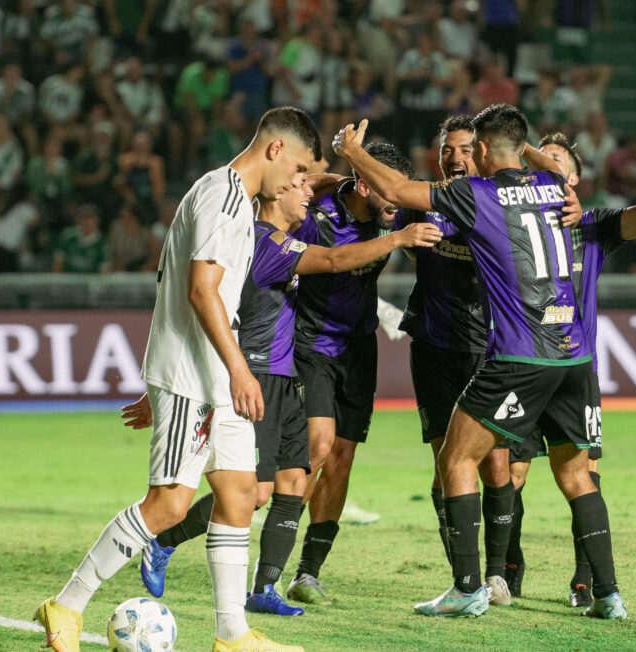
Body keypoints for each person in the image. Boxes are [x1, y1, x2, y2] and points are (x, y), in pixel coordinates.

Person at [333, 104, 636, 619]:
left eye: (470, 147)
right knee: (577, 476)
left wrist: (352, 152)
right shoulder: (555, 191)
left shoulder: (480, 195)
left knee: (455, 458)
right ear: (524, 149)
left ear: (479, 151)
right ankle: (608, 594)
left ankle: (468, 586)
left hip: (521, 353)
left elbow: (400, 192)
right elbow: (574, 178)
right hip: (576, 358)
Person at [34, 106, 321, 652]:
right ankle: (66, 606)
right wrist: (235, 369)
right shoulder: (225, 195)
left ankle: (232, 633)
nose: (300, 183)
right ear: (276, 149)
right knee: (168, 503)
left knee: (238, 495)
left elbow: (189, 294)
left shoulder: (229, 196)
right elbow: (199, 290)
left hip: (209, 370)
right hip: (199, 375)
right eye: (301, 169)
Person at [128, 182, 442, 617]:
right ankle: (164, 540)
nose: (307, 197)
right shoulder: (264, 243)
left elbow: (318, 187)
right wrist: (397, 239)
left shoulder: (284, 238)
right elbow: (331, 260)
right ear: (274, 197)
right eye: (296, 188)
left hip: (286, 373)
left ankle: (264, 588)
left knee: (295, 480)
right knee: (254, 493)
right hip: (254, 377)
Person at [396, 115, 580, 607]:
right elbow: (388, 208)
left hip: (490, 346)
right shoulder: (425, 205)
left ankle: (496, 576)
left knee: (495, 464)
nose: (454, 157)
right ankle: (465, 571)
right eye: (446, 149)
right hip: (433, 346)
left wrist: (523, 150)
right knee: (445, 459)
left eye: (463, 148)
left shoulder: (494, 201)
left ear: (478, 151)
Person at [507, 133, 636, 610]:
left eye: (557, 162)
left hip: (573, 370)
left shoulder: (592, 227)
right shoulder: (512, 223)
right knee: (510, 471)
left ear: (575, 178)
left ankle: (586, 581)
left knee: (584, 473)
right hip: (520, 364)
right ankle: (508, 568)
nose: (546, 167)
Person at [282, 142, 416, 605]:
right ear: (363, 184)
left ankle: (307, 573)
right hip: (312, 345)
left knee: (341, 460)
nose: (396, 208)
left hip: (359, 349)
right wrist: (335, 177)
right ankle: (265, 571)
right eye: (388, 196)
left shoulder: (390, 213)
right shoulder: (316, 216)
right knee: (316, 449)